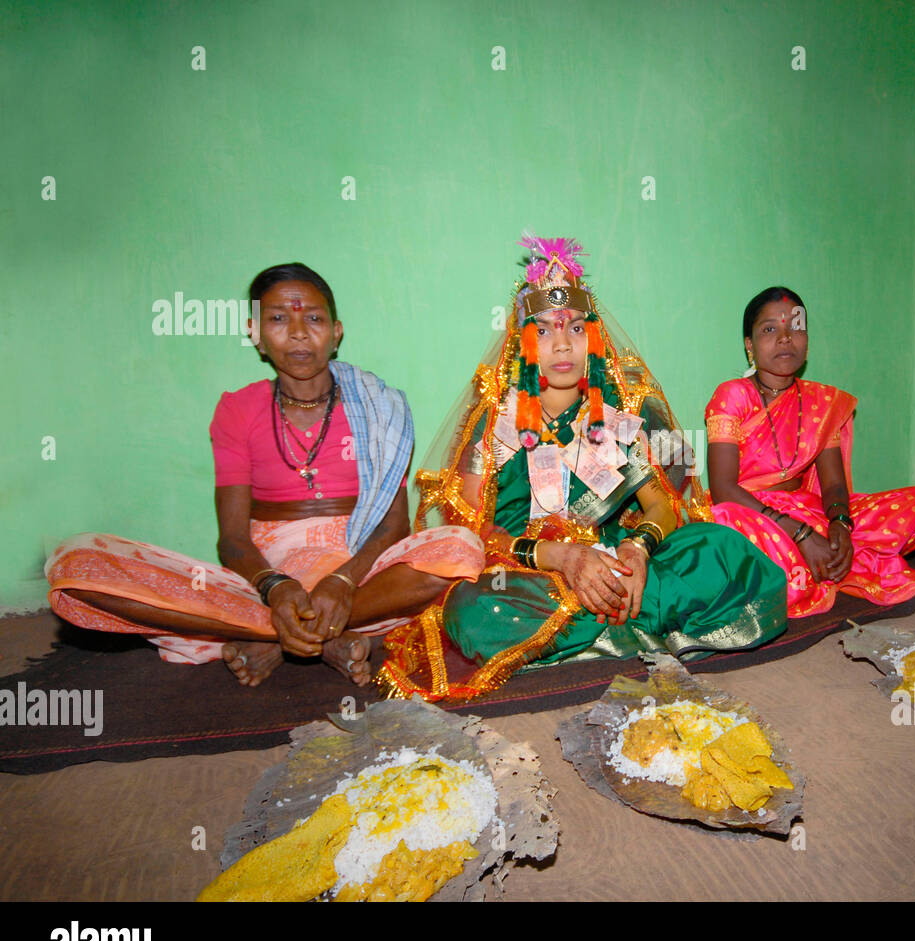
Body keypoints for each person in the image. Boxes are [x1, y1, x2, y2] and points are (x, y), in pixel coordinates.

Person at [378, 236, 788, 702]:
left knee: (724, 550)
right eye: (545, 331)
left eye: (575, 328)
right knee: (472, 610)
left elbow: (661, 504)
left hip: (620, 567)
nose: (562, 345)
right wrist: (564, 559)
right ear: (521, 343)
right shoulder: (493, 423)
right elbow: (474, 534)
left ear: (592, 337)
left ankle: (594, 622)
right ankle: (621, 622)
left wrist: (635, 549)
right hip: (528, 574)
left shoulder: (622, 412)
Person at [46, 263, 485, 686]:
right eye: (277, 318)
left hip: (361, 568)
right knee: (75, 563)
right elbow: (233, 540)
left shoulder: (379, 406)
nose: (298, 332)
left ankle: (276, 637)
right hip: (268, 569)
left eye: (313, 318)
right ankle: (317, 632)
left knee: (459, 549)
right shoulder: (237, 410)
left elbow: (392, 527)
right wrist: (275, 589)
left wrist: (341, 581)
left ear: (336, 333)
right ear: (257, 337)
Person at [705, 287, 915, 617]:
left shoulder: (821, 403)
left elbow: (833, 486)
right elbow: (723, 489)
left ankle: (820, 560)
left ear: (807, 340)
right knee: (725, 533)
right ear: (749, 345)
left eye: (795, 328)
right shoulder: (732, 395)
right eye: (770, 329)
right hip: (750, 516)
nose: (785, 338)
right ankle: (805, 564)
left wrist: (841, 525)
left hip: (806, 509)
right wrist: (800, 534)